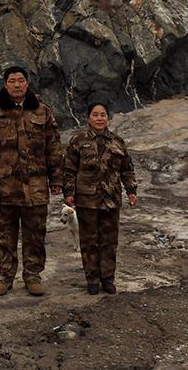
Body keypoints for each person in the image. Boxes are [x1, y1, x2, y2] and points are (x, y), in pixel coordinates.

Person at [0, 66, 63, 297]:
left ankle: (32, 275)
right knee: (3, 235)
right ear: (5, 84)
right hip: (2, 187)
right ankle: (4, 276)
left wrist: (56, 178)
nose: (16, 85)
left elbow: (53, 147)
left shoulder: (42, 111)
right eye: (11, 81)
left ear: (27, 84)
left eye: (20, 80)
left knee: (35, 234)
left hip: (35, 187)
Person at [62, 102, 138, 295]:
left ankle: (107, 278)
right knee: (89, 241)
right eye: (95, 115)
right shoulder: (78, 140)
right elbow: (69, 169)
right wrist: (69, 194)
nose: (99, 118)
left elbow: (127, 169)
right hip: (87, 200)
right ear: (89, 118)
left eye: (102, 114)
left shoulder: (118, 142)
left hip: (111, 199)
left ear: (108, 118)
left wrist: (131, 190)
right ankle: (92, 279)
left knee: (109, 241)